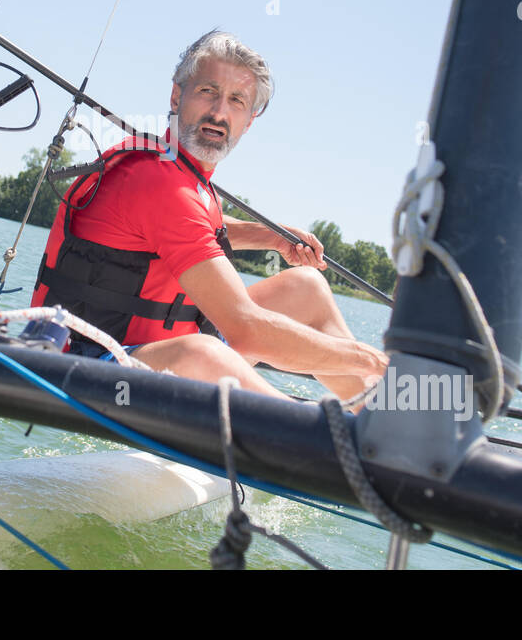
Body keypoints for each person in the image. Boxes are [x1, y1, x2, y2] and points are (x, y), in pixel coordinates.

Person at [31, 30, 388, 401]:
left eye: (236, 100)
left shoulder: (183, 177)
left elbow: (198, 229)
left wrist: (271, 237)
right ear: (176, 95)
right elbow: (245, 329)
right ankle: (321, 440)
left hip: (154, 350)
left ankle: (378, 419)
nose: (219, 113)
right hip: (92, 366)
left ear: (249, 120)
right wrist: (370, 359)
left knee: (305, 287)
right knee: (205, 352)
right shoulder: (158, 182)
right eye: (208, 92)